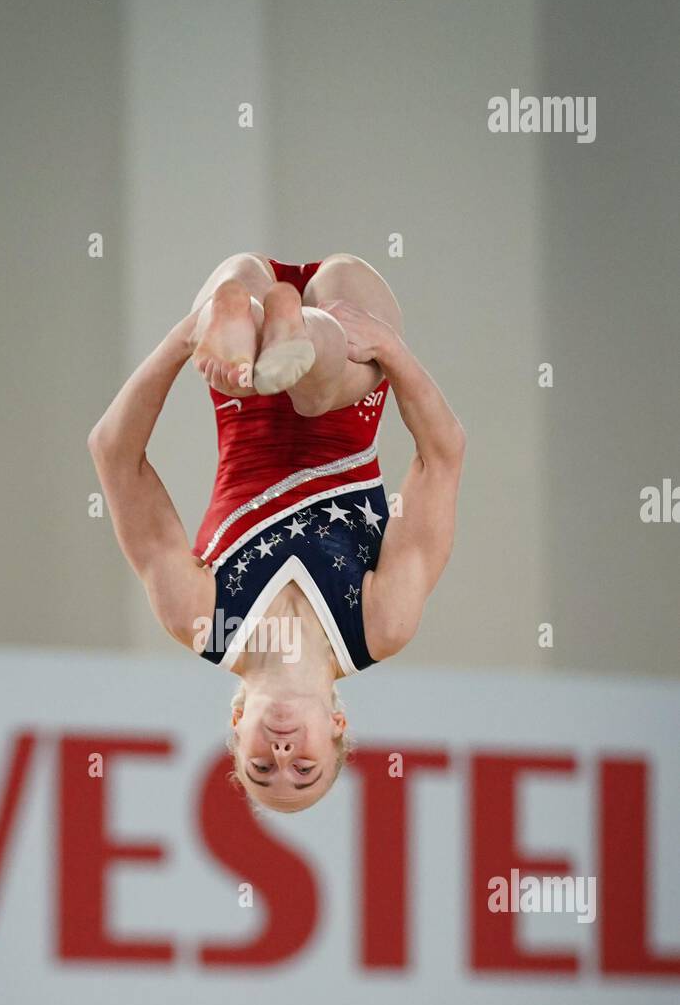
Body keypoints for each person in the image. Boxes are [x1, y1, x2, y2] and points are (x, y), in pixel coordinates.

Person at [88, 253, 465, 812]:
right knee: (319, 386)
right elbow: (441, 457)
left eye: (262, 767)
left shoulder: (201, 618)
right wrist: (389, 349)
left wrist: (184, 339)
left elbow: (114, 454)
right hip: (346, 384)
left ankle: (261, 321)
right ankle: (296, 330)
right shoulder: (380, 625)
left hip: (239, 375)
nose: (283, 752)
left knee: (242, 322)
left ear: (237, 723)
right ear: (337, 724)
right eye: (304, 767)